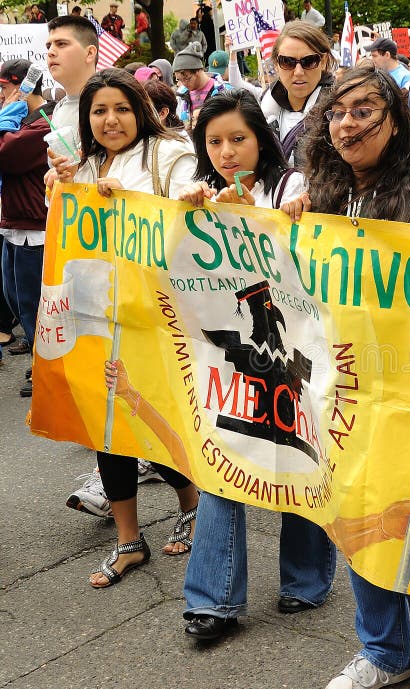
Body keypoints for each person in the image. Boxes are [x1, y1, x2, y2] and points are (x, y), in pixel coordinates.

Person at [280, 66, 410, 689]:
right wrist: (289, 220)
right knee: (357, 512)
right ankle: (385, 651)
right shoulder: (321, 192)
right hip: (341, 388)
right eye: (337, 112)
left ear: (396, 119)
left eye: (365, 110)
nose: (348, 124)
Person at [176, 89, 332, 640]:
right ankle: (211, 600)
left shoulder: (292, 188)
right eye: (214, 142)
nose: (226, 152)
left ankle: (306, 579)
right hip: (227, 356)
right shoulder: (198, 197)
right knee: (223, 461)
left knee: (300, 452)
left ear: (260, 141)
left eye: (238, 139)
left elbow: (318, 262)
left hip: (295, 349)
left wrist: (284, 217)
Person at [48, 68, 199, 588]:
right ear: (87, 120)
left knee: (156, 415)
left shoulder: (170, 156)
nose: (110, 120)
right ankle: (129, 539)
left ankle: (191, 505)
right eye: (99, 111)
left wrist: (132, 202)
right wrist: (61, 191)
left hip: (154, 316)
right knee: (106, 426)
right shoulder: (82, 167)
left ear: (140, 110)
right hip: (96, 318)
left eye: (121, 108)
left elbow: (188, 213)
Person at [0, 59, 54, 397]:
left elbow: (6, 154)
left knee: (35, 305)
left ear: (20, 87)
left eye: (4, 89)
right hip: (14, 226)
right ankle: (41, 360)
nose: (1, 96)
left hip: (36, 228)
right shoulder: (22, 121)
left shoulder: (44, 121)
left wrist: (7, 119)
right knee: (17, 302)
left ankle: (48, 370)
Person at [261, 21, 335, 164]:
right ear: (276, 65)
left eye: (309, 61)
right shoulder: (260, 107)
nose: (299, 72)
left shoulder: (340, 110)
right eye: (288, 62)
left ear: (324, 61)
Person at [172, 41, 232, 132]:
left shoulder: (224, 90)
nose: (183, 83)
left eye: (186, 78)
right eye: (179, 80)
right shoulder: (181, 95)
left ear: (198, 70)